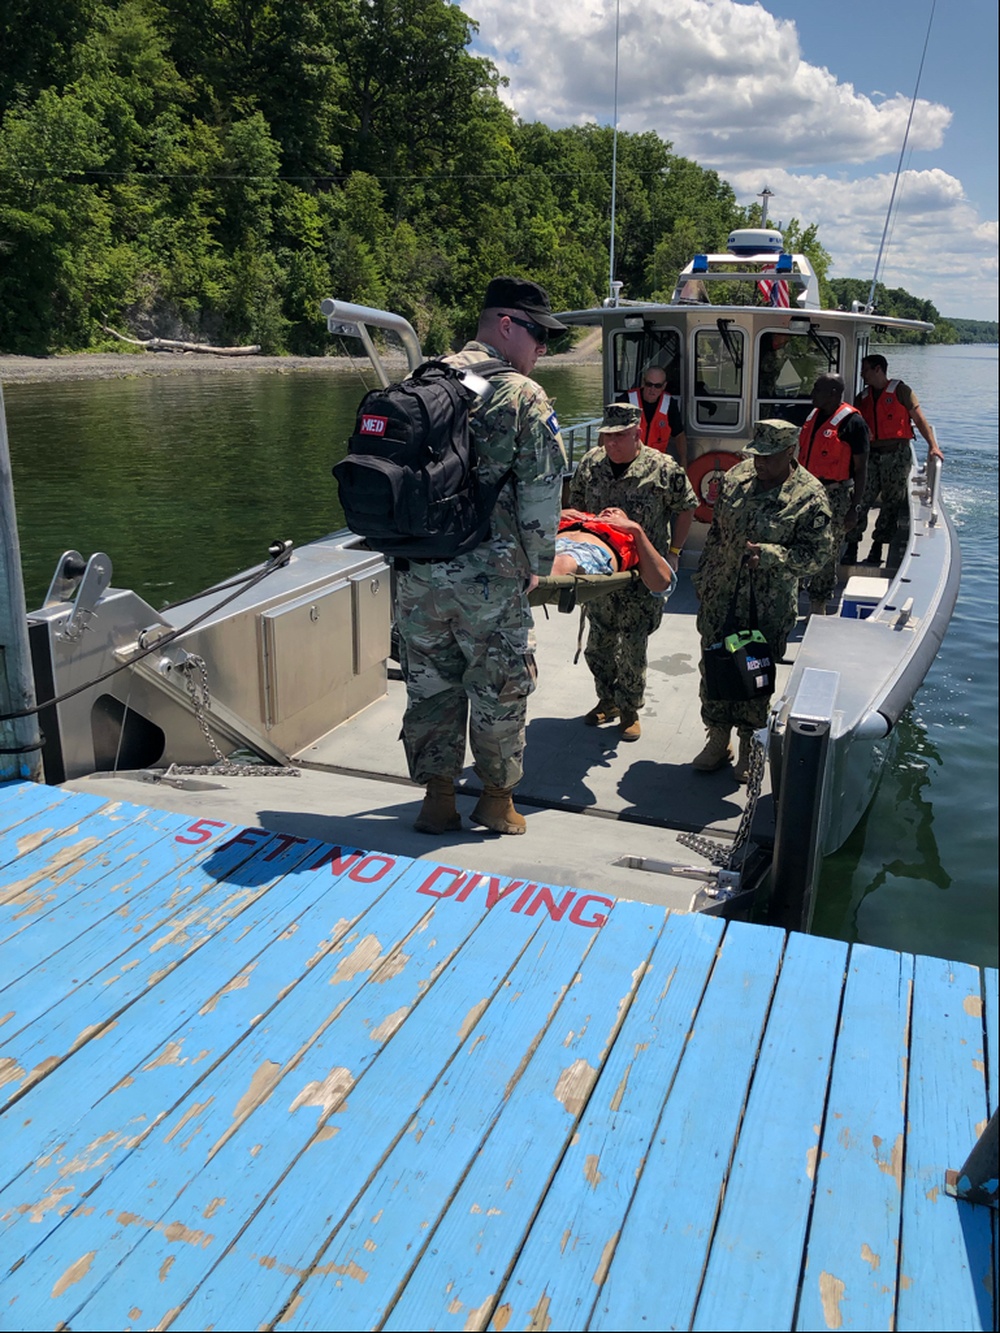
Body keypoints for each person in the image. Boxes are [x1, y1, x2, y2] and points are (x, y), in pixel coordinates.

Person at [396, 276, 567, 837]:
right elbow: (543, 491)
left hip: (417, 573)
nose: (544, 348)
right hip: (488, 578)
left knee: (430, 687)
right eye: (540, 334)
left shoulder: (424, 378)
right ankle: (496, 802)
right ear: (507, 325)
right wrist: (538, 567)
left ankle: (437, 801)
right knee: (498, 688)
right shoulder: (521, 394)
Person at [692, 419, 834, 782]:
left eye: (769, 458)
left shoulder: (809, 496)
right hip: (721, 595)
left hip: (766, 605)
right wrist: (704, 577)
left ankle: (749, 747)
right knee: (715, 669)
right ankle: (717, 738)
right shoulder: (737, 478)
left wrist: (771, 556)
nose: (759, 464)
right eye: (756, 455)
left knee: (753, 677)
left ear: (790, 453)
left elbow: (817, 556)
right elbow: (718, 533)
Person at [568, 402, 697, 742]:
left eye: (621, 436)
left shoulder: (662, 468)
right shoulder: (590, 464)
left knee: (633, 646)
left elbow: (687, 509)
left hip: (642, 575)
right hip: (602, 573)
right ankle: (606, 700)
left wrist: (674, 553)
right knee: (599, 643)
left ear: (637, 432)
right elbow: (576, 507)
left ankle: (629, 710)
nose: (612, 444)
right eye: (607, 437)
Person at [854, 354, 943, 565]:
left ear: (878, 370)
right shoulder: (862, 397)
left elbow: (919, 419)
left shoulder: (902, 391)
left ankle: (877, 547)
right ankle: (852, 544)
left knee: (891, 502)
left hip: (896, 454)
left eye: (865, 369)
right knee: (861, 499)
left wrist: (933, 446)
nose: (862, 374)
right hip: (871, 455)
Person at [798, 373, 869, 613]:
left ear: (833, 393)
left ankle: (818, 606)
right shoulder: (813, 416)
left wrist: (854, 509)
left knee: (827, 551)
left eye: (817, 389)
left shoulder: (853, 423)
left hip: (835, 496)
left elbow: (861, 470)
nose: (812, 394)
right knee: (798, 540)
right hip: (806, 492)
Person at [553, 508, 674, 590]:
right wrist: (554, 514)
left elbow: (662, 582)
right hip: (552, 545)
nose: (609, 510)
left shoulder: (632, 538)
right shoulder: (574, 519)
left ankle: (539, 591)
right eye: (604, 511)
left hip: (588, 552)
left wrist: (637, 531)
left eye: (616, 512)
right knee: (548, 559)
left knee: (564, 562)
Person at [624, 367, 688, 465]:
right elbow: (608, 431)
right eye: (649, 384)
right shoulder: (627, 400)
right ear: (643, 383)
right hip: (629, 461)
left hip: (656, 462)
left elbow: (679, 434)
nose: (652, 389)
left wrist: (683, 460)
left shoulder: (669, 404)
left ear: (664, 386)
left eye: (657, 386)